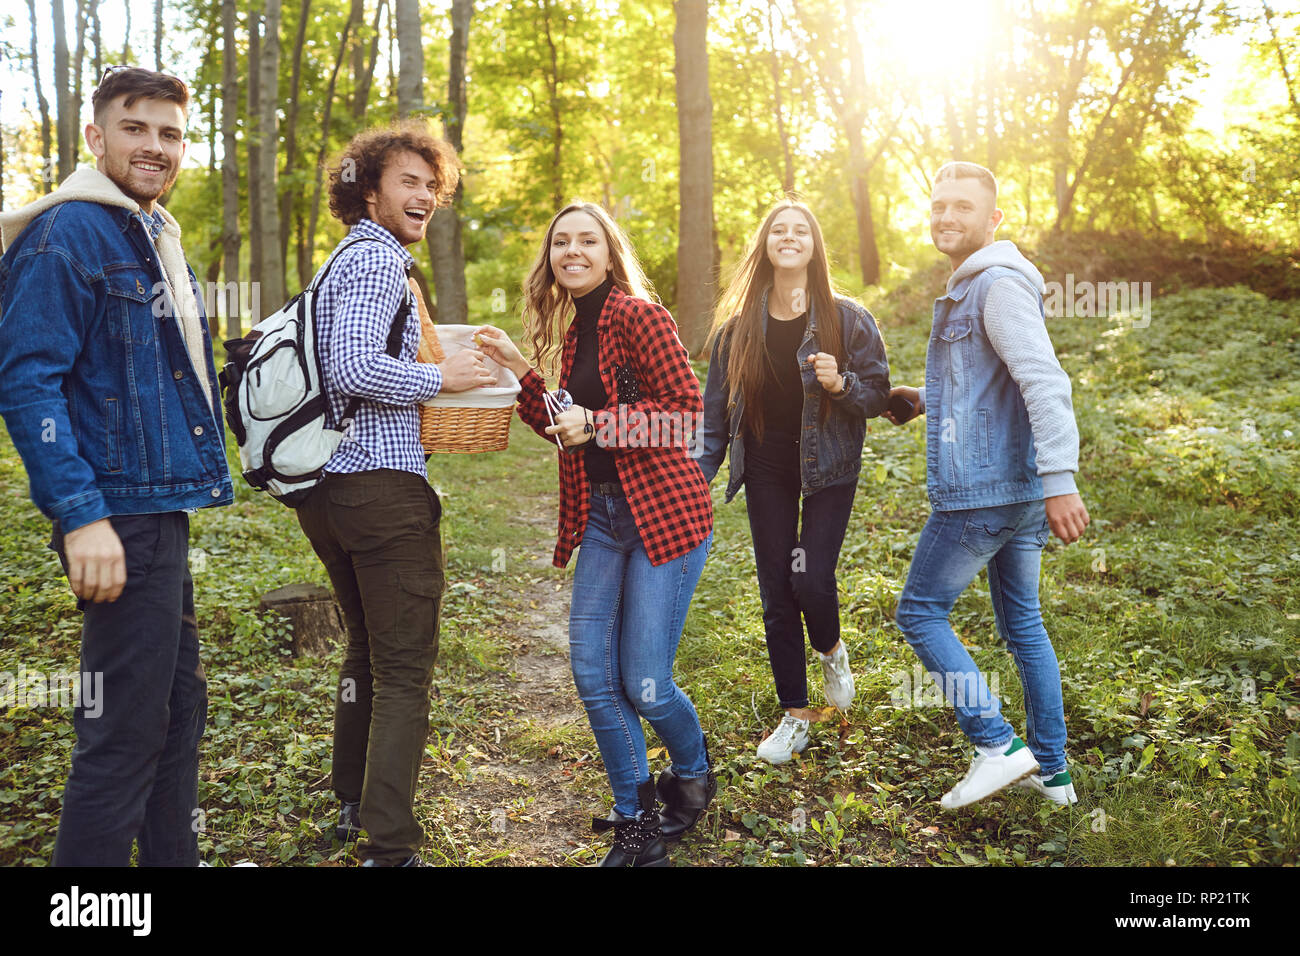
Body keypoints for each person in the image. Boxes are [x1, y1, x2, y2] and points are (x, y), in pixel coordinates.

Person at [0, 66, 232, 865]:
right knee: (124, 734)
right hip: (118, 512)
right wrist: (82, 515)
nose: (155, 146)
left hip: (157, 508)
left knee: (175, 710)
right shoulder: (69, 234)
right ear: (95, 138)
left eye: (170, 134)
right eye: (136, 128)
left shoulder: (149, 234)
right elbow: (28, 379)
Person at [475, 202, 714, 867]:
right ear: (549, 258)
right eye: (561, 242)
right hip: (605, 522)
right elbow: (562, 424)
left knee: (645, 682)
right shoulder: (577, 330)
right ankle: (636, 827)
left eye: (587, 241)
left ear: (610, 255)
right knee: (590, 673)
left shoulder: (640, 316)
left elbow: (686, 415)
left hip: (666, 519)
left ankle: (692, 773)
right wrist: (521, 368)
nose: (572, 251)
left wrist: (601, 426)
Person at [295, 119, 492, 866]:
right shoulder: (379, 263)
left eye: (431, 186)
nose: (424, 196)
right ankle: (391, 843)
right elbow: (352, 368)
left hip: (328, 493)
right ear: (369, 190)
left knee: (367, 653)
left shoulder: (341, 261)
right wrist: (444, 377)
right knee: (404, 667)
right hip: (380, 491)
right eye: (408, 181)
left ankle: (352, 801)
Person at [883, 161, 1090, 809]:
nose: (947, 216)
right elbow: (988, 384)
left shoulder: (995, 285)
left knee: (919, 612)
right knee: (1023, 624)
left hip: (985, 492)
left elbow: (1043, 379)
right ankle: (1053, 775)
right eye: (939, 204)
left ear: (993, 219)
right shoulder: (974, 284)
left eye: (963, 207)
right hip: (1013, 489)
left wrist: (1063, 480)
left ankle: (996, 745)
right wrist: (927, 399)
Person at [698, 200, 890, 764]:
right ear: (765, 246)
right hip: (766, 466)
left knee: (809, 578)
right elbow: (713, 415)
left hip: (828, 466)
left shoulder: (848, 318)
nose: (788, 236)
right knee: (777, 589)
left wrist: (841, 384)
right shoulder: (737, 332)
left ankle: (830, 650)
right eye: (778, 230)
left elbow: (877, 395)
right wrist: (697, 477)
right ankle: (795, 715)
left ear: (813, 244)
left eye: (799, 229)